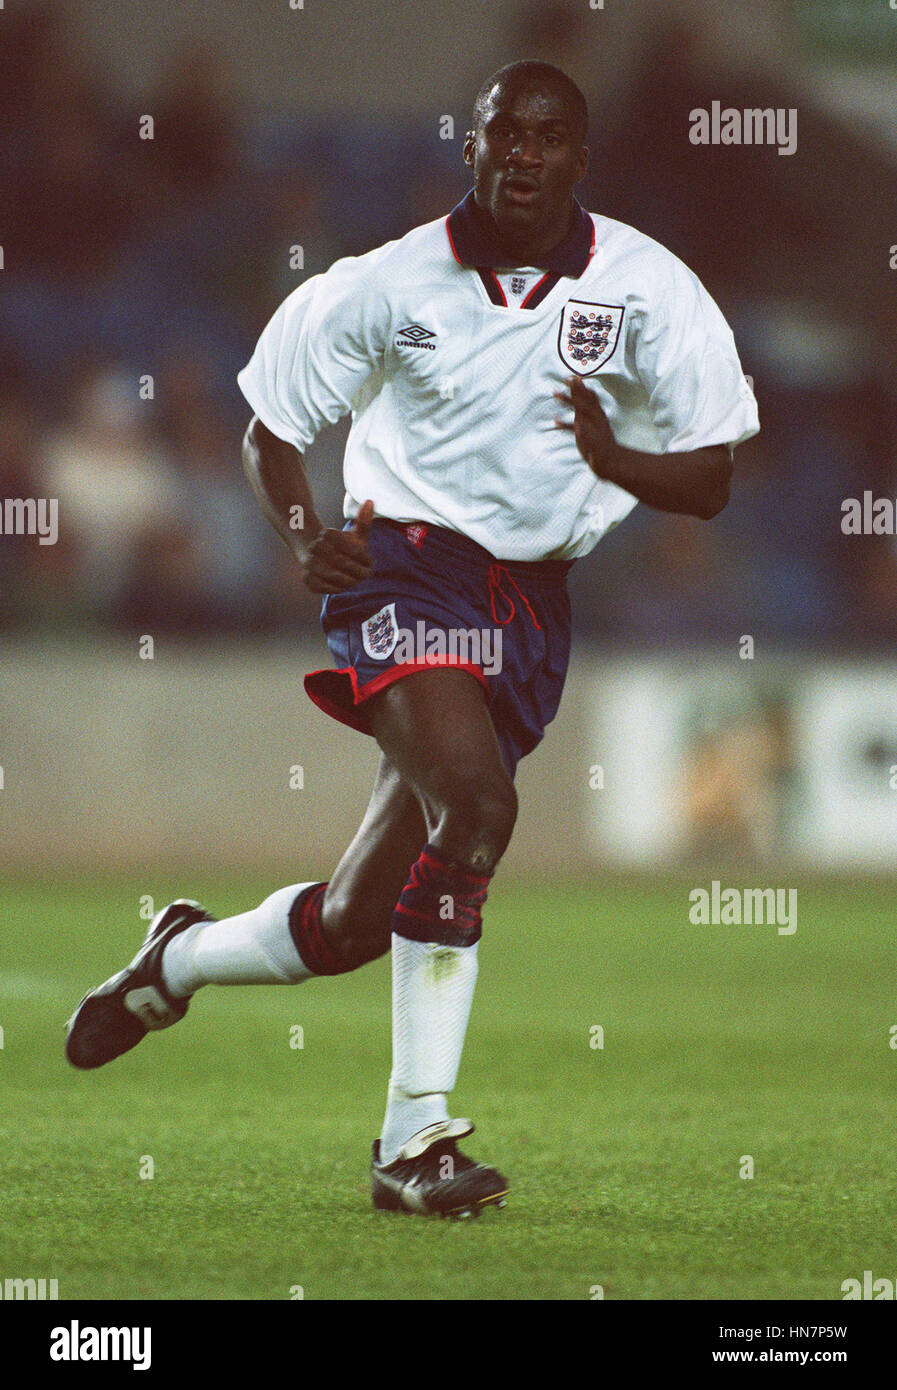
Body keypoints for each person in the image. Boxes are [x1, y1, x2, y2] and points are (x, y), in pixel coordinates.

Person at [66, 61, 759, 1218]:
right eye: (504, 133)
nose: (524, 154)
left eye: (549, 136)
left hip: (534, 604)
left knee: (350, 924)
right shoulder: (389, 284)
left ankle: (174, 958)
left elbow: (715, 475)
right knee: (480, 810)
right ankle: (413, 1139)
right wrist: (303, 536)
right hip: (406, 565)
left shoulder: (652, 288)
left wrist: (614, 460)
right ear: (472, 147)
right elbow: (271, 430)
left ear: (581, 159)